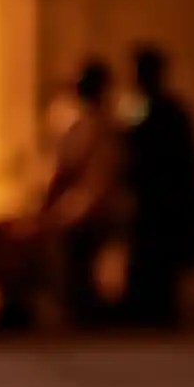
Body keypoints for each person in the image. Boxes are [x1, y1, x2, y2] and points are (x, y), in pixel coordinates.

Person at [40, 60, 130, 328]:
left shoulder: (96, 126)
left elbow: (75, 169)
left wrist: (63, 204)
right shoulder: (93, 124)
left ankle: (83, 310)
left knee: (81, 259)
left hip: (91, 206)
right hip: (90, 204)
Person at [122, 45, 194, 327]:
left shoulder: (164, 112)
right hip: (152, 201)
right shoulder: (143, 110)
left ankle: (156, 314)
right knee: (150, 262)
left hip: (162, 202)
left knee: (158, 262)